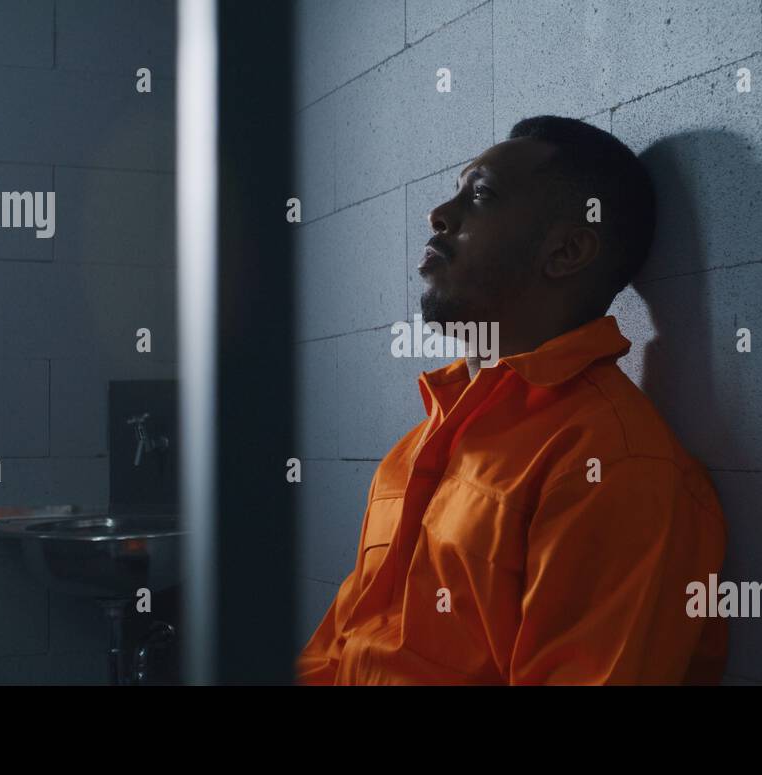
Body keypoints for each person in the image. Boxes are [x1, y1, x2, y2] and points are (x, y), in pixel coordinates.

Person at [296, 115, 728, 684]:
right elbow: (335, 653)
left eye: (481, 195)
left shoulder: (610, 463)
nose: (439, 214)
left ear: (568, 251)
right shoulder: (415, 450)